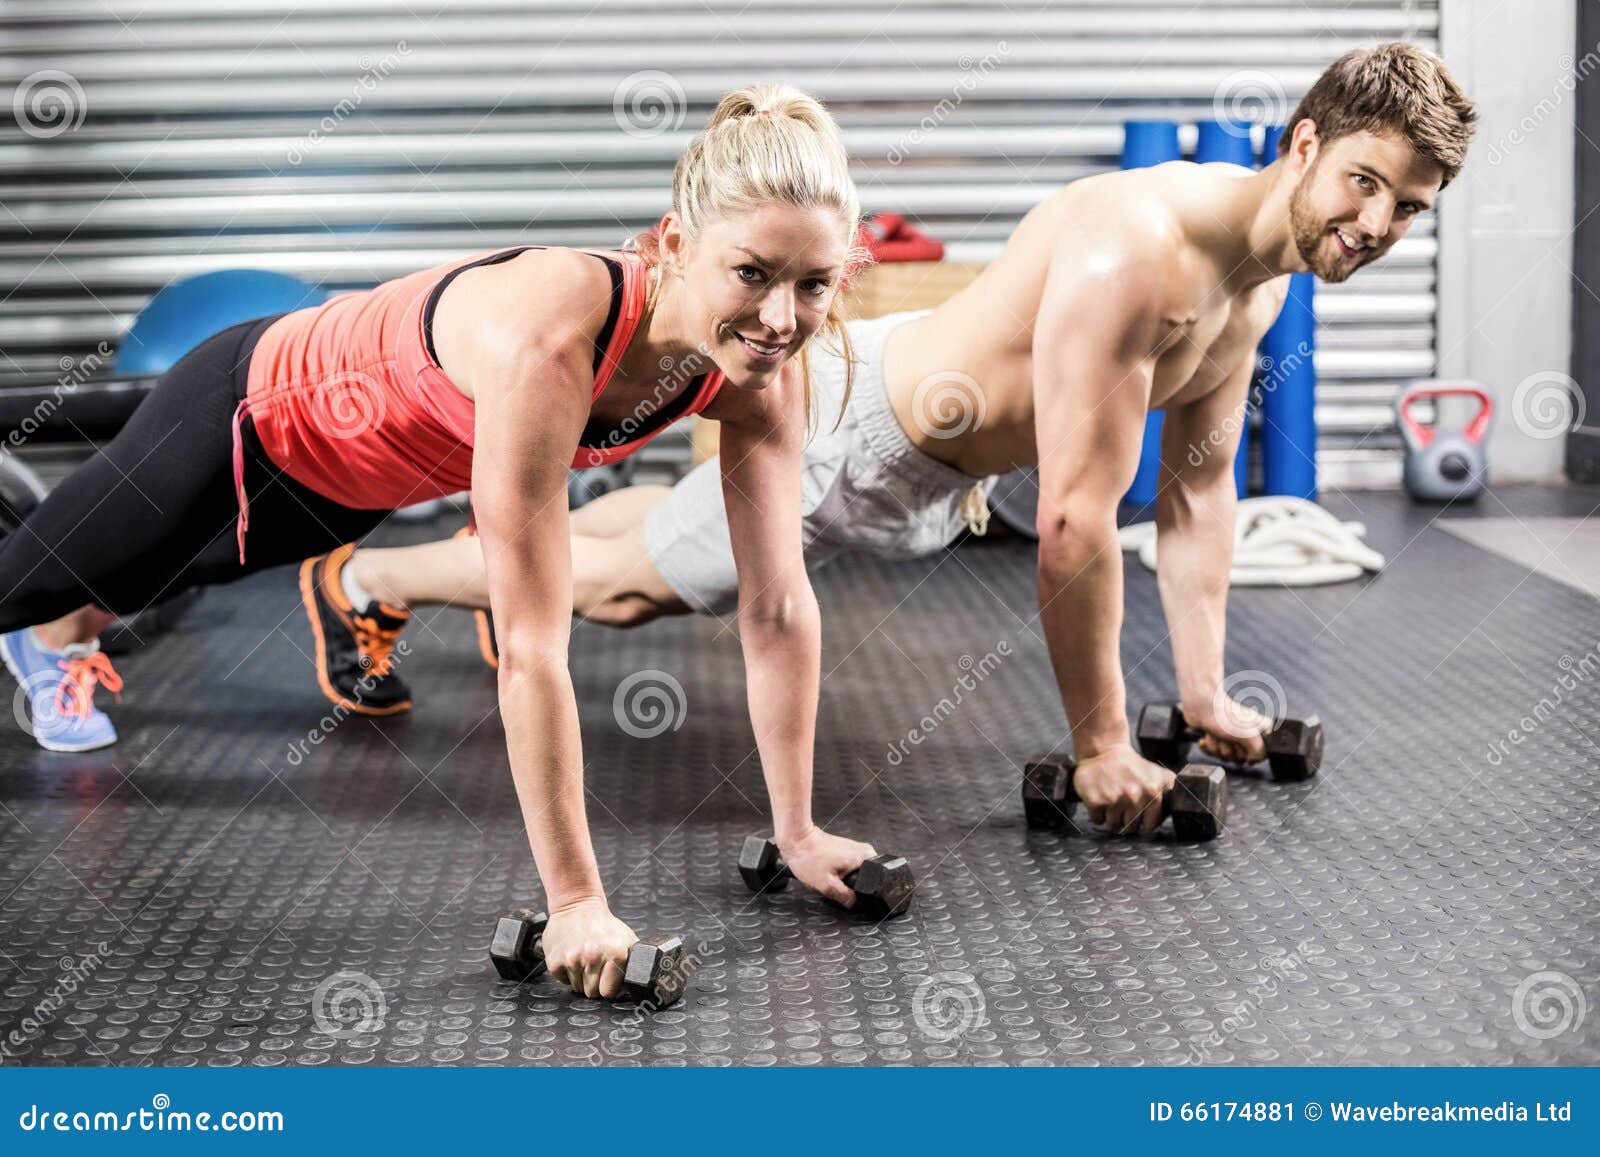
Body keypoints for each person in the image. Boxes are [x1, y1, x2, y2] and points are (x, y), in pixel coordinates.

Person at [316, 44, 1476, 837]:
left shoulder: (1259, 287)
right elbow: (1077, 520)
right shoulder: (1144, 250)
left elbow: (1197, 493)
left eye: (1409, 207)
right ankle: (367, 576)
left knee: (645, 532)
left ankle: (489, 553)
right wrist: (1102, 744)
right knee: (621, 587)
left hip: (925, 458)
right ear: (1304, 141)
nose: (1374, 225)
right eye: (1364, 182)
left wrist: (1210, 694)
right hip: (856, 435)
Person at [0, 85, 883, 1001]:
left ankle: (61, 633)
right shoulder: (551, 337)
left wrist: (800, 829)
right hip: (238, 414)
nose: (782, 317)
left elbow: (776, 604)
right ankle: (43, 625)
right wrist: (576, 899)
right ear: (672, 244)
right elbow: (533, 646)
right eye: (751, 273)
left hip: (348, 495)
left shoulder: (762, 376)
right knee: (24, 581)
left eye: (812, 284)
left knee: (147, 577)